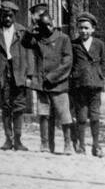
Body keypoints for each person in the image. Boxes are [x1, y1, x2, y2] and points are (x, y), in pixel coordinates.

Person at [0, 1, 33, 151]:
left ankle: (18, 140)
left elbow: (29, 53)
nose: (7, 18)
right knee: (6, 107)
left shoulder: (22, 32)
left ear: (14, 16)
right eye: (4, 15)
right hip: (3, 74)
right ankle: (8, 139)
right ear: (1, 16)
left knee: (18, 107)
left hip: (18, 73)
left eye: (10, 16)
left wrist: (29, 74)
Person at [27, 8, 74, 156]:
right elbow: (25, 42)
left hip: (58, 83)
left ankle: (68, 144)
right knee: (44, 114)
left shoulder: (63, 38)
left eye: (50, 24)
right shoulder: (38, 38)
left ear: (53, 22)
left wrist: (52, 77)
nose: (48, 27)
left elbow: (67, 62)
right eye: (44, 25)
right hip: (42, 84)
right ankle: (46, 144)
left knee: (64, 114)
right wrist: (31, 28)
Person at [69, 12, 105, 157]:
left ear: (92, 29)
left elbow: (104, 63)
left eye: (86, 28)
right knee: (81, 117)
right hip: (79, 85)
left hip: (95, 85)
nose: (83, 31)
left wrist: (99, 74)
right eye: (81, 28)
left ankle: (96, 146)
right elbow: (71, 63)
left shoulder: (99, 44)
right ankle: (81, 145)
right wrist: (75, 76)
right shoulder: (74, 44)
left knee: (95, 116)